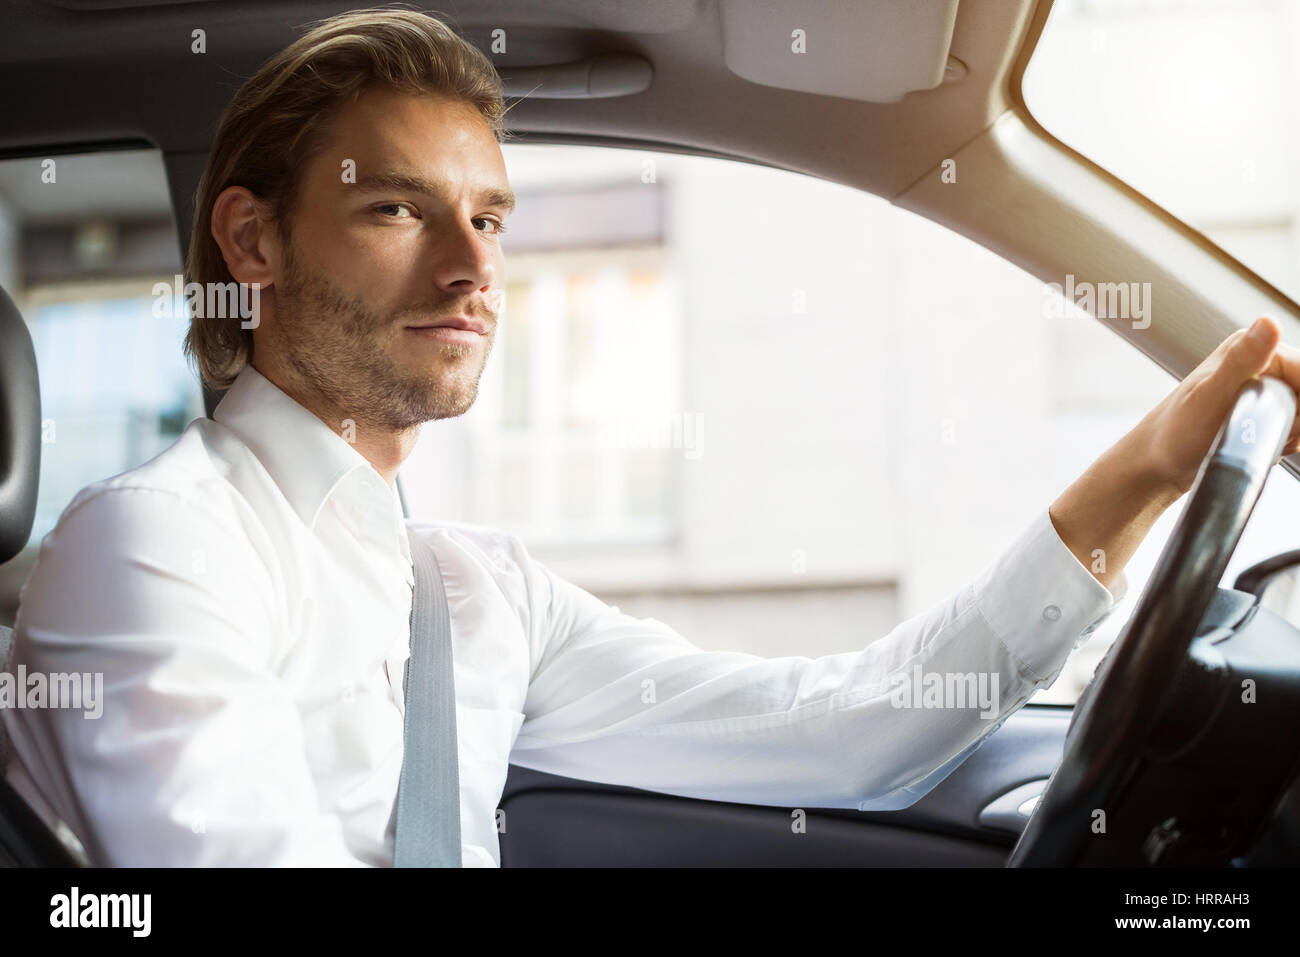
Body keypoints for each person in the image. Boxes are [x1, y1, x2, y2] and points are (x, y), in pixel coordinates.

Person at [4, 8, 1300, 867]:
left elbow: (847, 728)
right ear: (251, 242)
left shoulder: (468, 590)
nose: (472, 270)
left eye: (493, 220)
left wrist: (1150, 469)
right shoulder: (152, 547)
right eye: (402, 209)